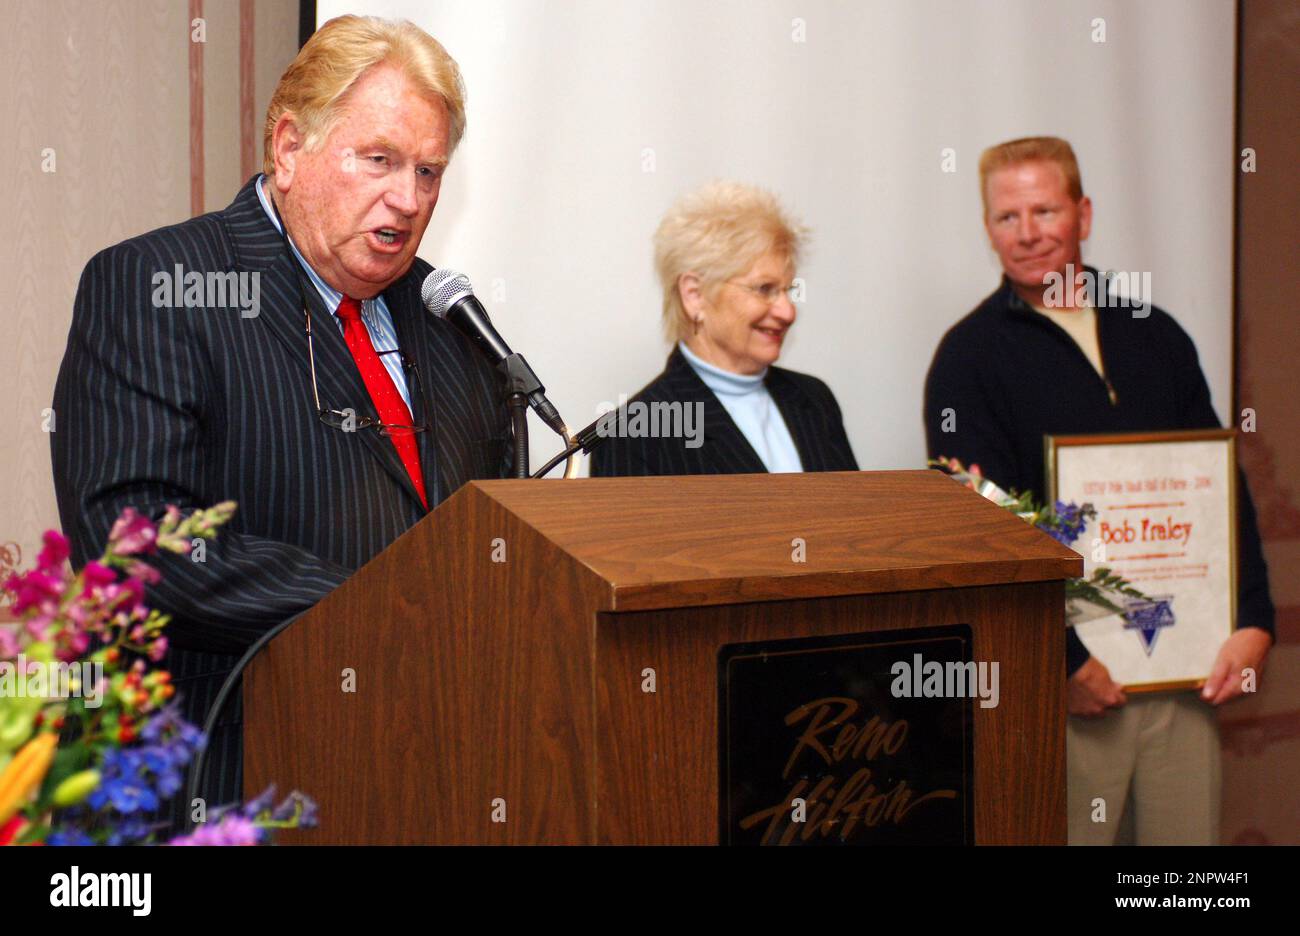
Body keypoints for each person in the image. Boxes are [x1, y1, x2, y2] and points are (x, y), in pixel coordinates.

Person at [50, 15, 511, 822]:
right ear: (289, 146)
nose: (407, 199)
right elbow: (136, 537)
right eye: (379, 160)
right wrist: (385, 609)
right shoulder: (159, 284)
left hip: (428, 776)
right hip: (225, 772)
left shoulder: (455, 326)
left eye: (429, 172)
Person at [923, 136, 1274, 845]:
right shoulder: (967, 359)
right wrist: (1067, 664)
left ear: (1084, 213)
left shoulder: (1157, 334)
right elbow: (981, 531)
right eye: (1005, 216)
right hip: (1064, 691)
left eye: (1045, 210)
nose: (1026, 234)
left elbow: (1216, 487)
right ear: (987, 227)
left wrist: (1254, 619)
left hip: (1183, 672)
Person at [590, 181, 857, 476]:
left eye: (788, 290)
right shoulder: (635, 434)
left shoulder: (814, 400)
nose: (788, 311)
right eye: (764, 289)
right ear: (695, 295)